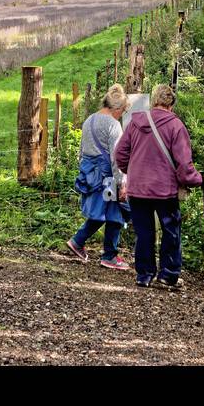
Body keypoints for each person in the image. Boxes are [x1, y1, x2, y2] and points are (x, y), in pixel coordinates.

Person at [114, 83, 204, 288]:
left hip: (138, 188)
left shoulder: (136, 122)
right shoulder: (176, 126)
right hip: (165, 190)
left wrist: (132, 171)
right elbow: (184, 165)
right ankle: (167, 274)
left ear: (153, 101)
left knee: (144, 232)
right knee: (171, 230)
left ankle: (144, 275)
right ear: (171, 104)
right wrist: (197, 180)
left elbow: (120, 154)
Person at [67, 84, 132, 270]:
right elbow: (116, 159)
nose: (122, 114)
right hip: (107, 177)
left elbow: (81, 152)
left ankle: (78, 241)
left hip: (90, 174)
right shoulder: (113, 125)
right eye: (123, 111)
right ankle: (109, 256)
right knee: (116, 214)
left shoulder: (89, 120)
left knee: (101, 212)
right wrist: (122, 184)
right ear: (117, 108)